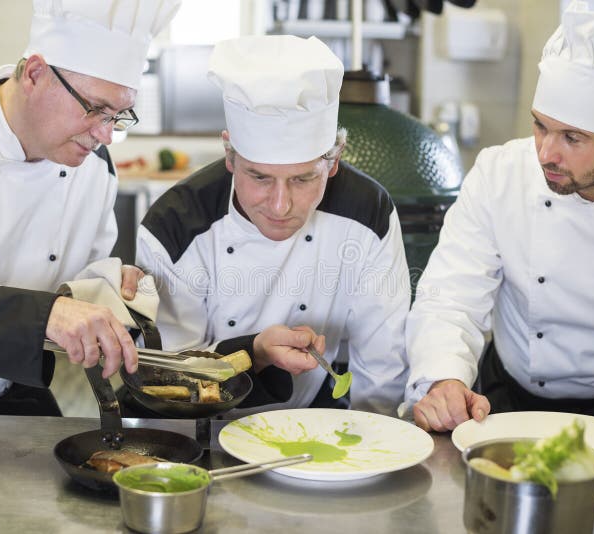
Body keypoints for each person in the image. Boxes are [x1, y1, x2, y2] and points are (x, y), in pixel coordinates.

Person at [403, 1, 594, 431]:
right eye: (540, 126)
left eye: (573, 137)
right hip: (509, 394)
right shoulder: (500, 174)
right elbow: (452, 295)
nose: (545, 154)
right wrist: (443, 378)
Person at [0, 0, 181, 415]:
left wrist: (110, 286)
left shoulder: (95, 167)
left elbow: (74, 280)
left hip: (10, 384)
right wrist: (44, 317)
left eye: (118, 116)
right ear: (35, 73)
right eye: (95, 109)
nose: (105, 135)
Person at [128, 35, 410, 416]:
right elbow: (175, 378)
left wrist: (367, 454)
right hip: (202, 426)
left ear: (334, 160)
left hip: (319, 417)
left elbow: (382, 368)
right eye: (259, 178)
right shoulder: (175, 224)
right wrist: (254, 352)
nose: (281, 205)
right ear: (230, 155)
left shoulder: (368, 211)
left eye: (303, 179)